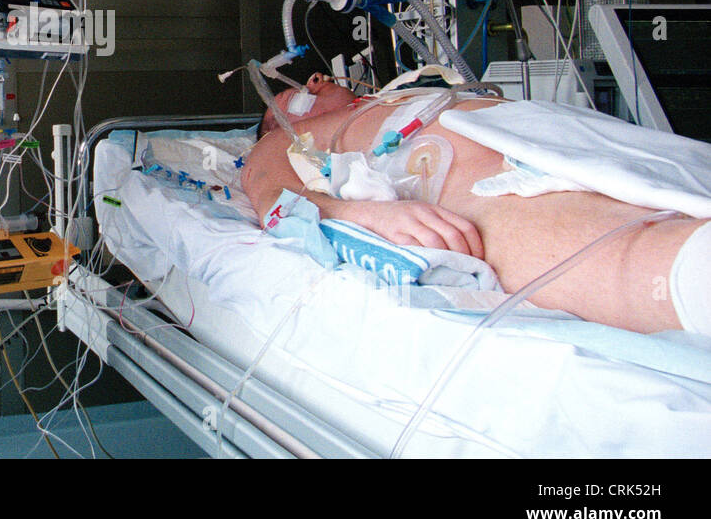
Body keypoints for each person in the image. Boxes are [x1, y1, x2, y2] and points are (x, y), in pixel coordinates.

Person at [241, 73, 708, 334]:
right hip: (483, 191)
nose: (314, 79)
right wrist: (358, 213)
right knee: (652, 261)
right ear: (275, 120)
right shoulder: (283, 139)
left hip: (560, 135)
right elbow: (274, 199)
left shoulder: (400, 94)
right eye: (289, 93)